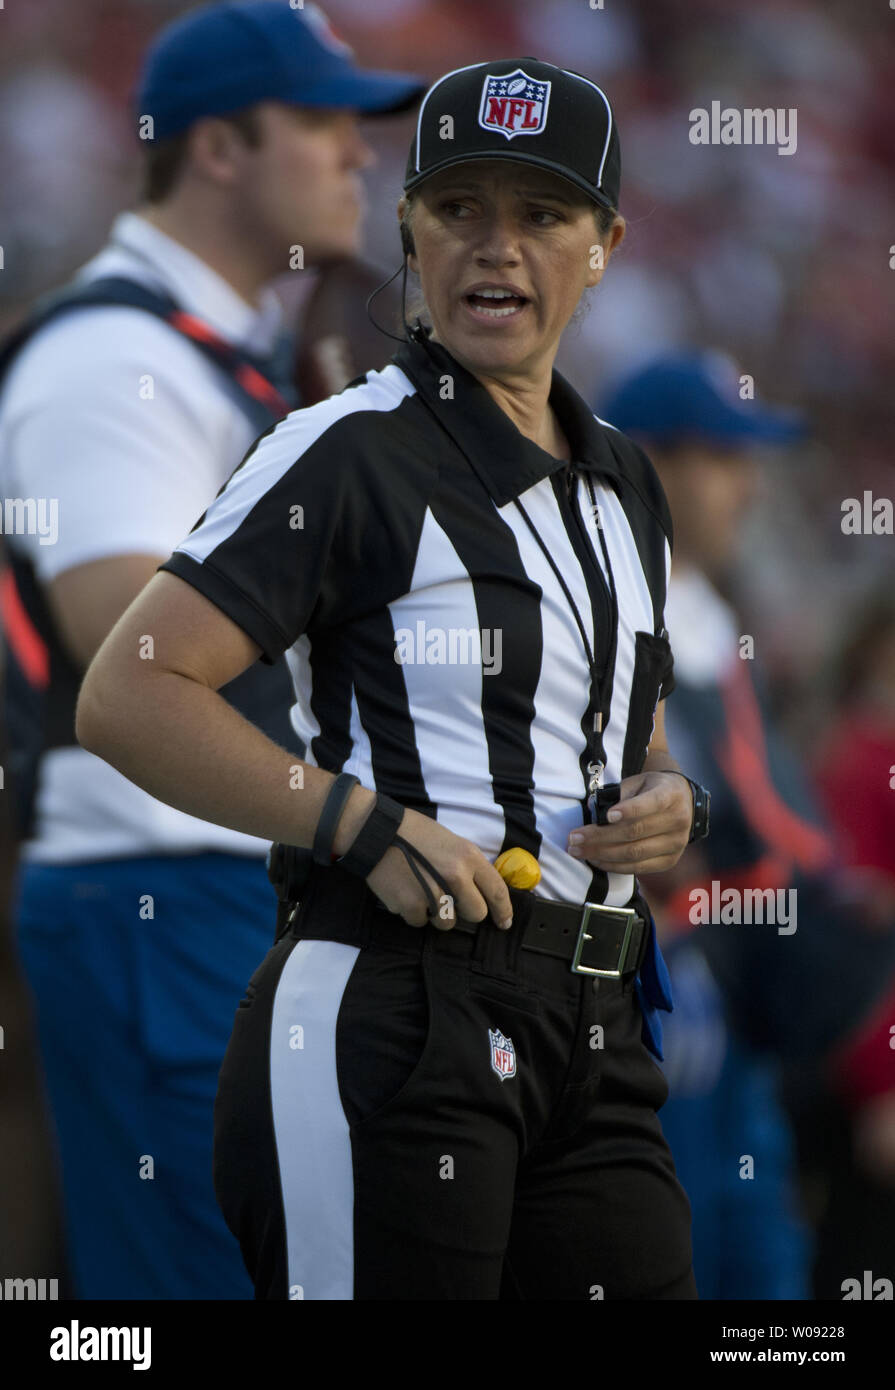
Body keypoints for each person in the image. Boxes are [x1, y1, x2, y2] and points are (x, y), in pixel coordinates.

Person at [77, 58, 708, 1301]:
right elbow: (128, 692)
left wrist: (669, 802)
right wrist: (354, 822)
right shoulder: (355, 446)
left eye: (541, 215)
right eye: (462, 207)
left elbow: (625, 731)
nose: (498, 247)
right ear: (408, 224)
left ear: (604, 245)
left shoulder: (624, 477)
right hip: (395, 1010)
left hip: (598, 1026)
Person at [0, 1, 421, 1299]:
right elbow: (132, 666)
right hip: (160, 877)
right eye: (319, 121)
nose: (358, 155)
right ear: (217, 147)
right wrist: (368, 820)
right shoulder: (114, 356)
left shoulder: (230, 359)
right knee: (205, 1281)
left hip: (234, 874)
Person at [599, 352, 895, 1298]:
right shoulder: (600, 605)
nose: (747, 487)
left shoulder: (715, 617)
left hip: (743, 1014)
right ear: (644, 461)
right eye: (721, 459)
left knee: (761, 1279)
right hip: (652, 999)